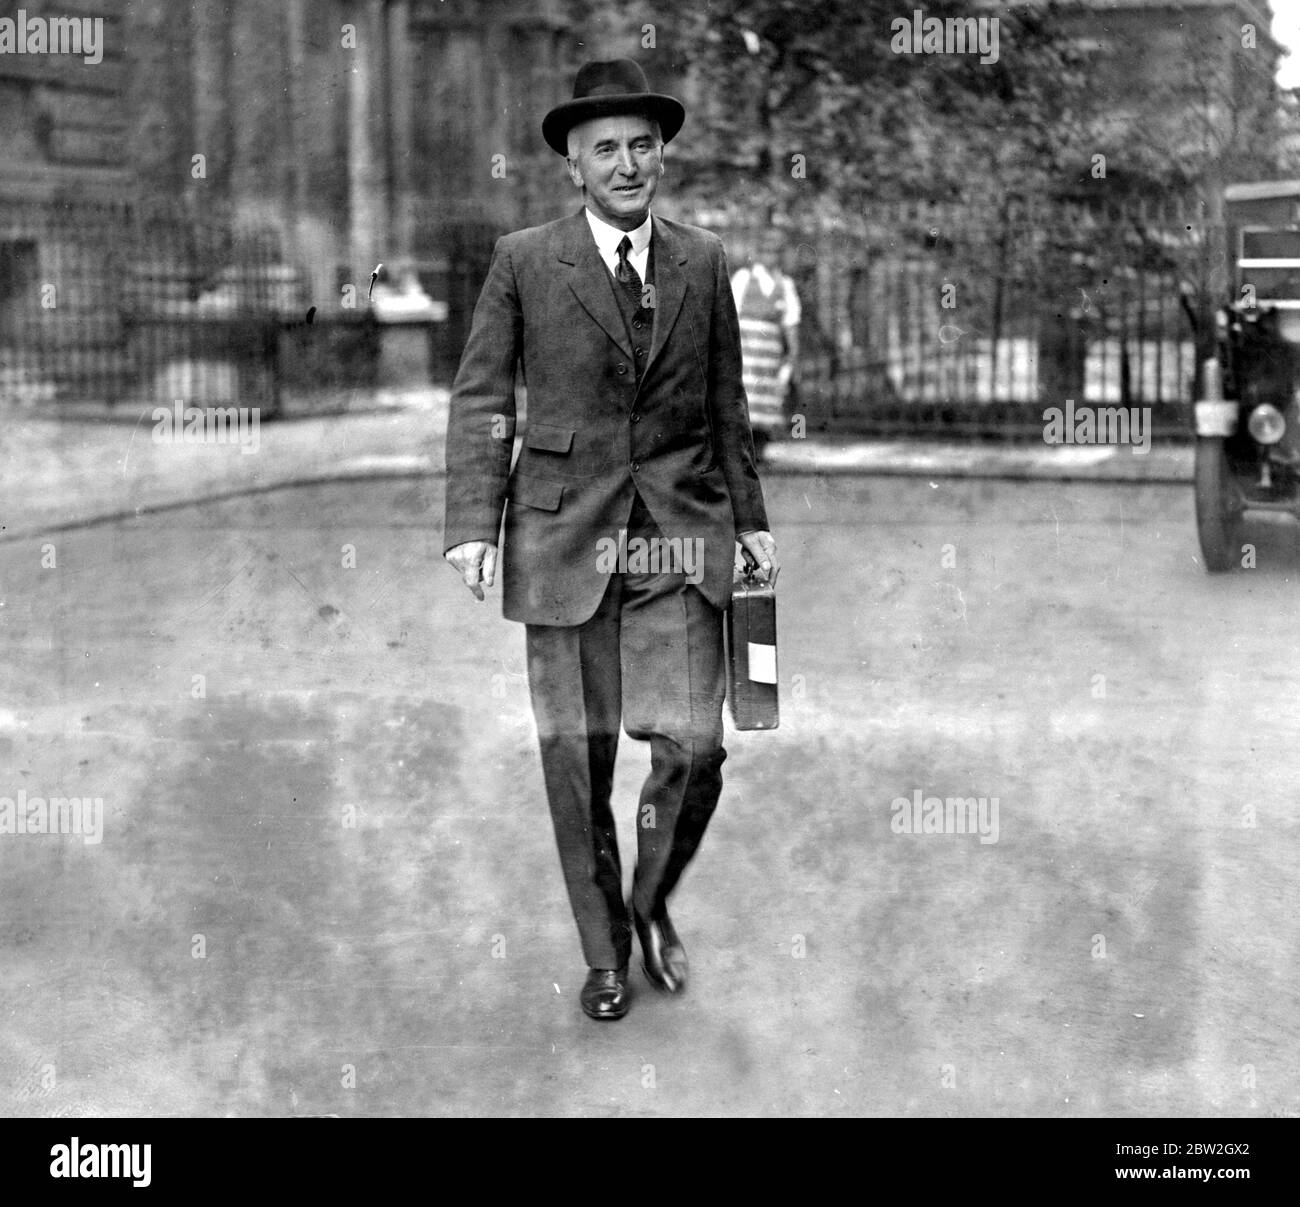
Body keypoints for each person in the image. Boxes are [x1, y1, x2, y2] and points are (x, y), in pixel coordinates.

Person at [442, 59, 779, 1021]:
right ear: (573, 168)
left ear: (661, 154)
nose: (628, 164)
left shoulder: (703, 261)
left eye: (642, 145)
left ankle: (649, 900)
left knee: (695, 745)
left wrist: (750, 527)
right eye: (606, 151)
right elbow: (479, 399)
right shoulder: (522, 261)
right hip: (562, 539)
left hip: (678, 535)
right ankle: (604, 951)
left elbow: (729, 408)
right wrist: (472, 525)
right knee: (576, 756)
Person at [731, 230, 801, 461]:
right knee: (744, 398)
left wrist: (792, 352)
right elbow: (729, 313)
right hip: (746, 349)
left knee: (766, 401)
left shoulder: (785, 284)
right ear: (759, 254)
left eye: (777, 252)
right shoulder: (744, 278)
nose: (772, 257)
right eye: (767, 252)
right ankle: (740, 452)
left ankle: (759, 451)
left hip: (769, 352)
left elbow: (790, 321)